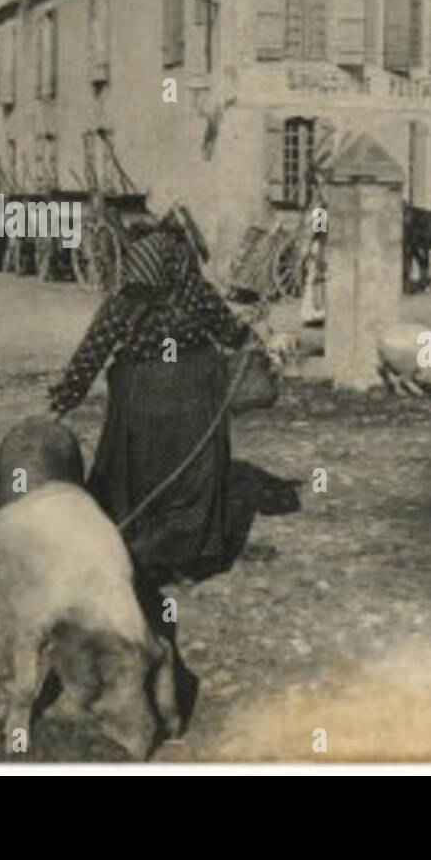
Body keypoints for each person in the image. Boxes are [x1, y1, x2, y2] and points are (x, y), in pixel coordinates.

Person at [48, 210, 262, 584]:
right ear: (178, 260)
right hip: (194, 394)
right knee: (192, 476)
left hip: (140, 397)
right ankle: (185, 558)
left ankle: (132, 551)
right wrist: (252, 333)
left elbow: (93, 349)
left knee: (135, 473)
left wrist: (69, 394)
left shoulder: (124, 302)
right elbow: (232, 334)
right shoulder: (195, 293)